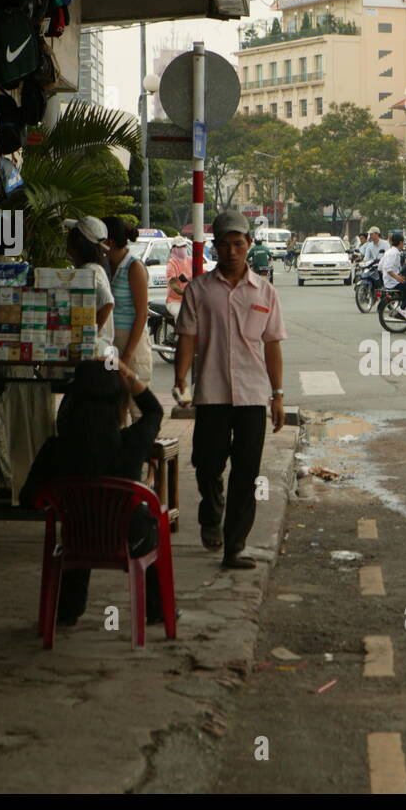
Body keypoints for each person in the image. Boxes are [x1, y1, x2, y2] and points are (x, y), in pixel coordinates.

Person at [172, 211, 287, 569]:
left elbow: (272, 346)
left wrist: (278, 395)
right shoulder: (199, 290)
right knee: (207, 463)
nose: (232, 251)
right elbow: (187, 337)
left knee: (246, 472)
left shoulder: (265, 291)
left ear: (249, 245)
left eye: (239, 244)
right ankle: (211, 511)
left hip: (253, 395)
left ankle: (235, 545)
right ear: (215, 248)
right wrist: (180, 379)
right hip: (212, 392)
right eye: (225, 244)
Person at [20, 358, 169, 626]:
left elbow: (28, 499)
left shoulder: (55, 449)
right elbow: (154, 411)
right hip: (130, 540)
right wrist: (126, 371)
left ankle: (68, 610)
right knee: (151, 521)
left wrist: (56, 500)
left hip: (77, 539)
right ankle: (157, 609)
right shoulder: (131, 443)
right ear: (120, 403)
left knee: (82, 521)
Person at [103, 216, 152, 411]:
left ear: (109, 242)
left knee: (136, 406)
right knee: (113, 404)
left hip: (133, 342)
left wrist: (127, 354)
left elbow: (142, 314)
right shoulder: (105, 267)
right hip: (110, 341)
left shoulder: (134, 267)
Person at [65, 218, 115, 353]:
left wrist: (89, 336)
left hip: (96, 350)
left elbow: (108, 301)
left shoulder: (89, 271)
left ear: (78, 242)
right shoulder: (94, 268)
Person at [378, 231, 406, 319]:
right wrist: (397, 277)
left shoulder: (389, 251)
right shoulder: (394, 253)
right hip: (393, 283)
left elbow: (380, 267)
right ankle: (402, 309)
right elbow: (388, 268)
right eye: (403, 243)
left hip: (388, 282)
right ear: (400, 242)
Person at [165, 238, 193, 321]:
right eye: (180, 247)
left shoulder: (191, 260)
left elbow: (204, 273)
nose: (183, 248)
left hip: (190, 299)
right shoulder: (172, 263)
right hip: (175, 301)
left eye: (184, 246)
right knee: (181, 315)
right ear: (174, 249)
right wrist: (183, 292)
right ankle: (180, 334)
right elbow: (173, 283)